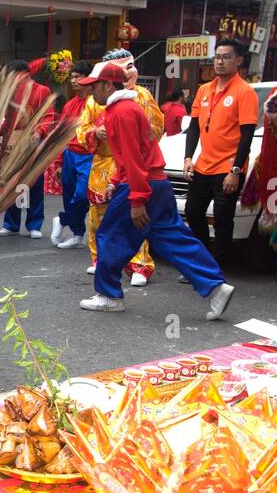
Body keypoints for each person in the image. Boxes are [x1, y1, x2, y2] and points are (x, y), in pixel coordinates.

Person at [79, 62, 234, 319]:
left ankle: (108, 295)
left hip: (142, 185)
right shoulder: (128, 108)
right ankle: (216, 286)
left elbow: (133, 158)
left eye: (94, 86)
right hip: (156, 182)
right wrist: (114, 182)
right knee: (172, 237)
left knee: (109, 235)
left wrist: (136, 198)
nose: (91, 93)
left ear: (108, 85)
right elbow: (133, 155)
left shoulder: (120, 112)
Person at [79, 49, 160, 285]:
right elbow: (81, 130)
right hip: (104, 165)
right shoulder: (95, 99)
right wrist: (96, 133)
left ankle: (138, 264)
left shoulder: (141, 98)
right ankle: (101, 261)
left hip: (132, 168)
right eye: (123, 67)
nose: (129, 71)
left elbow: (155, 129)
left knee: (137, 218)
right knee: (98, 220)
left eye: (131, 65)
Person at [183, 38, 259, 269]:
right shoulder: (204, 89)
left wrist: (236, 170)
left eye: (226, 57)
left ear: (238, 60)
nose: (220, 61)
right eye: (217, 57)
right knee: (193, 212)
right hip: (203, 164)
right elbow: (194, 127)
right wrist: (188, 158)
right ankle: (203, 259)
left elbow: (247, 135)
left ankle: (217, 266)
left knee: (223, 219)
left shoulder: (244, 92)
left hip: (228, 167)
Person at [0, 60, 53, 238]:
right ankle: (10, 224)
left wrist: (39, 132)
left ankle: (34, 224)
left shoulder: (42, 91)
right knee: (11, 183)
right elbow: (3, 118)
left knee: (34, 183)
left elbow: (48, 115)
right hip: (13, 143)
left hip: (34, 142)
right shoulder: (10, 92)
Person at [49, 60, 95, 250]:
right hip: (69, 155)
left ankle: (62, 220)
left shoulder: (96, 103)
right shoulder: (69, 105)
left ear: (88, 79)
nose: (73, 81)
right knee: (69, 196)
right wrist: (59, 162)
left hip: (89, 156)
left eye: (78, 77)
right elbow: (62, 135)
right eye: (72, 77)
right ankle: (78, 235)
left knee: (82, 196)